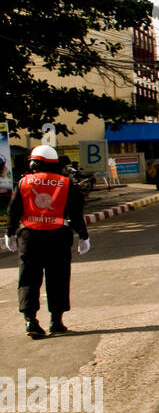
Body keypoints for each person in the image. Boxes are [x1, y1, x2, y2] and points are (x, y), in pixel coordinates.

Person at [4, 145, 90, 339]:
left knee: (28, 278)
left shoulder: (24, 182)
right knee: (58, 278)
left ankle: (30, 320)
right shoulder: (67, 183)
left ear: (34, 163)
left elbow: (14, 210)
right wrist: (83, 236)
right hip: (58, 236)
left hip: (29, 237)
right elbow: (76, 214)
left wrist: (9, 233)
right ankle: (56, 321)